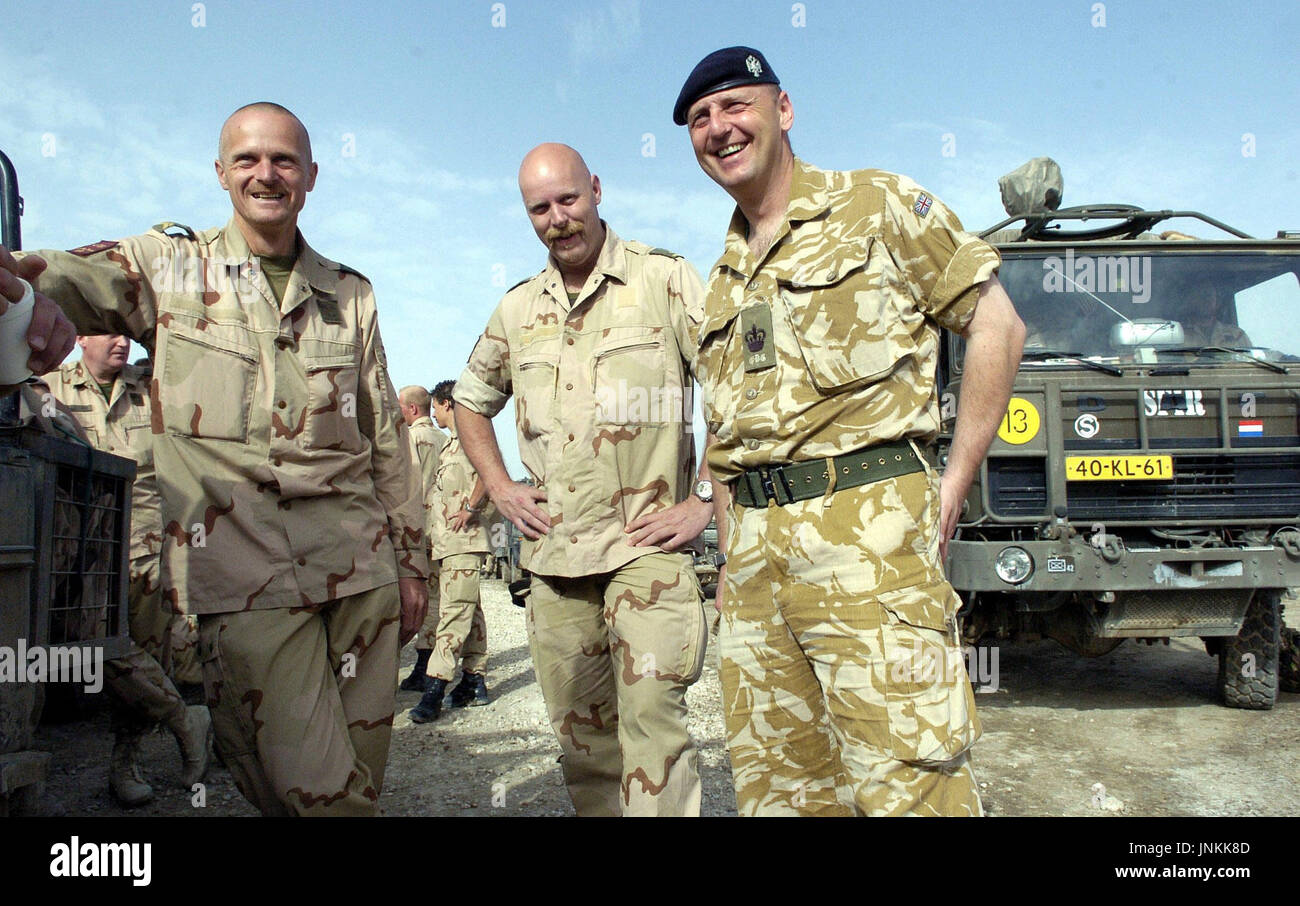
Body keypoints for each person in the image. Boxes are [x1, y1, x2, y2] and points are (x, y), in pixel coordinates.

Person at [4, 102, 429, 816]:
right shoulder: (169, 268)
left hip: (361, 576)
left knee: (356, 785)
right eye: (249, 159)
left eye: (285, 160)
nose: (267, 174)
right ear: (222, 173)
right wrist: (16, 286)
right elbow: (60, 276)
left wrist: (413, 562)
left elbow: (384, 435)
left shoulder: (350, 293)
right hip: (248, 583)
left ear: (312, 175)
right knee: (323, 801)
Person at [675, 47, 1026, 816]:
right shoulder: (724, 279)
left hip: (867, 542)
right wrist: (733, 554)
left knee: (910, 782)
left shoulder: (877, 204)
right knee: (782, 792)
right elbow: (733, 439)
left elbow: (996, 324)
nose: (718, 128)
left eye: (735, 105)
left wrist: (955, 480)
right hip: (758, 564)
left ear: (783, 110)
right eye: (700, 119)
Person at [453, 143, 716, 816]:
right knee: (582, 741)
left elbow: (736, 387)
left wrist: (705, 498)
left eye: (568, 200)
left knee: (654, 723)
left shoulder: (665, 279)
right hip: (555, 557)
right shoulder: (516, 310)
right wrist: (503, 487)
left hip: (646, 552)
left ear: (595, 189)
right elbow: (470, 399)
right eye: (539, 208)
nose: (557, 219)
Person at [44, 334, 211, 805]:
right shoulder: (51, 387)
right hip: (78, 545)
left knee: (148, 650)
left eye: (126, 332)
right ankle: (185, 719)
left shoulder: (152, 386)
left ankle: (126, 762)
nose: (120, 341)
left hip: (145, 545)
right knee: (92, 645)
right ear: (80, 337)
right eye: (108, 330)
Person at [409, 379, 492, 721]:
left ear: (447, 404)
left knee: (454, 613)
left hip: (465, 542)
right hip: (449, 544)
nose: (435, 414)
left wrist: (471, 508)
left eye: (438, 407)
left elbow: (491, 474)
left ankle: (435, 687)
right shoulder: (449, 447)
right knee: (470, 612)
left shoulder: (475, 440)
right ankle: (474, 681)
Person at [397, 384, 447, 692]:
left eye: (400, 408)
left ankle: (423, 664)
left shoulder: (409, 439)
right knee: (437, 598)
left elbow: (402, 487)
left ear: (413, 409)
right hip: (440, 529)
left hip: (414, 529)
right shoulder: (445, 439)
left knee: (415, 599)